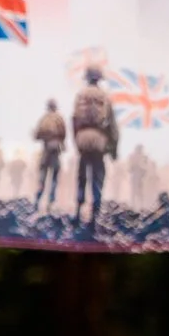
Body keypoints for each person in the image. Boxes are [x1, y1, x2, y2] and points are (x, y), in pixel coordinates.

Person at [72, 65, 118, 224]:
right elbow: (112, 124)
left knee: (82, 176)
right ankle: (95, 215)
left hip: (83, 137)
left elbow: (74, 120)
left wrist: (76, 140)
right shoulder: (105, 96)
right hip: (99, 138)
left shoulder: (80, 95)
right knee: (97, 176)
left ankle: (78, 211)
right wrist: (113, 148)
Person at [33, 98, 66, 212]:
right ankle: (50, 203)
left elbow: (37, 135)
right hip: (55, 151)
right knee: (54, 178)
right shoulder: (59, 118)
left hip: (46, 150)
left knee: (42, 178)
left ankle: (37, 200)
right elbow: (63, 134)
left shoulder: (44, 119)